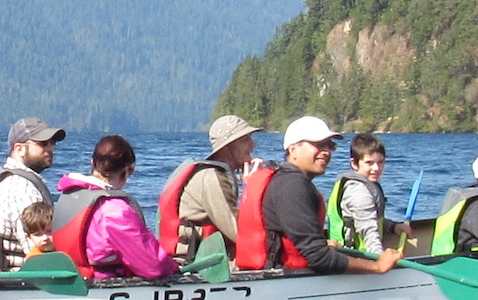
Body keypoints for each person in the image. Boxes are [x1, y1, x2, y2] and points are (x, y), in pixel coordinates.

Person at [232, 117, 404, 276]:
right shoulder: (292, 186)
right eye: (318, 144)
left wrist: (322, 243)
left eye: (329, 145)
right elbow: (318, 258)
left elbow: (307, 244)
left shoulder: (287, 180)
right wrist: (377, 266)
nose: (326, 151)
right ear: (293, 150)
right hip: (283, 280)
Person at [51, 135, 176, 282]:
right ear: (127, 171)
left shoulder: (71, 195)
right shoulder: (115, 211)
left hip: (74, 279)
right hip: (101, 282)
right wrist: (174, 268)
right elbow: (154, 266)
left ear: (92, 163)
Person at [157, 114, 257, 270]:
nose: (253, 146)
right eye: (245, 140)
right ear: (227, 146)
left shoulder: (215, 175)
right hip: (194, 264)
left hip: (202, 258)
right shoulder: (212, 179)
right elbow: (238, 233)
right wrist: (252, 188)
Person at [0, 117, 63, 266]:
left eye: (52, 143)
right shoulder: (22, 189)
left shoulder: (5, 177)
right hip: (15, 272)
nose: (51, 149)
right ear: (19, 149)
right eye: (43, 144)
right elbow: (36, 253)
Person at [325, 131, 397, 257]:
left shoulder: (365, 184)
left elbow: (369, 218)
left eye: (380, 162)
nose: (376, 168)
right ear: (354, 163)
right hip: (354, 257)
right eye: (369, 163)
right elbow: (368, 229)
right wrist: (379, 258)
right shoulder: (358, 192)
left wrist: (393, 226)